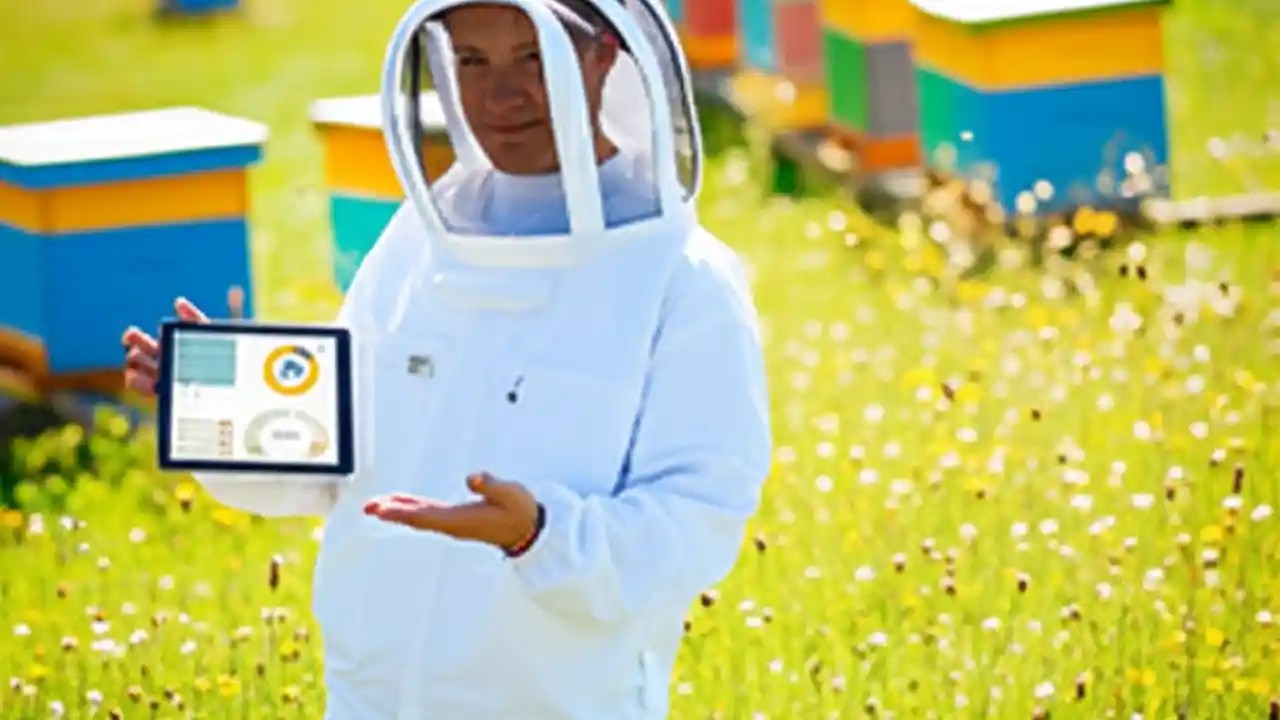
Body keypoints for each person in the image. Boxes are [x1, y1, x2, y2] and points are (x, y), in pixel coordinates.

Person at [122, 0, 771, 717]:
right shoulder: (421, 240)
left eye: (533, 56)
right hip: (372, 697)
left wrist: (540, 535)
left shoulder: (681, 278)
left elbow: (697, 519)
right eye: (471, 61)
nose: (502, 93)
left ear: (603, 58)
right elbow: (332, 464)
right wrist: (225, 410)